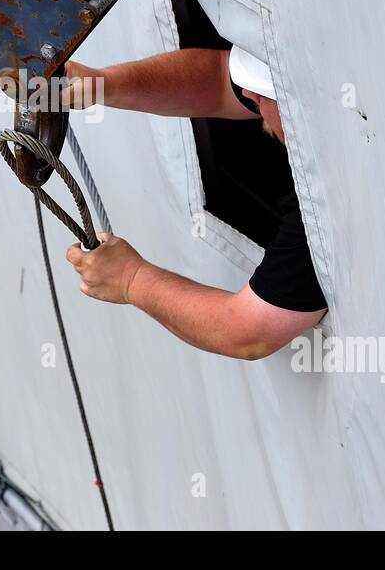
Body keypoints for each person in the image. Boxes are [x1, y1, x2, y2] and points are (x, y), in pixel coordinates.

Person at [60, 47, 327, 360]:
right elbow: (217, 80)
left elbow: (249, 331)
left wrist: (131, 280)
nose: (246, 92)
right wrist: (103, 84)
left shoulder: (328, 205)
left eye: (264, 92)